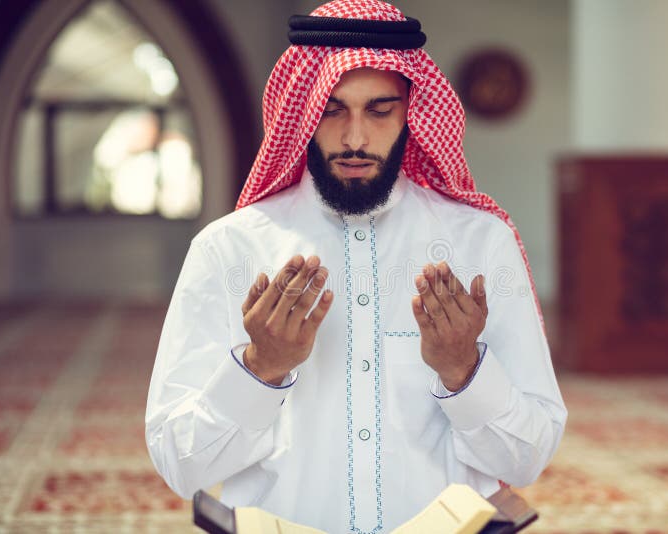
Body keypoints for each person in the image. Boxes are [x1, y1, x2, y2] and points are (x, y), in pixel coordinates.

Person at [145, 1, 566, 532]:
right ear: (302, 111)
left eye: (380, 110)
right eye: (332, 109)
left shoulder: (480, 244)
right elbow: (180, 467)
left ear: (412, 111)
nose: (355, 139)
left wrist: (464, 371)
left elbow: (526, 461)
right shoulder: (229, 249)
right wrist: (260, 367)